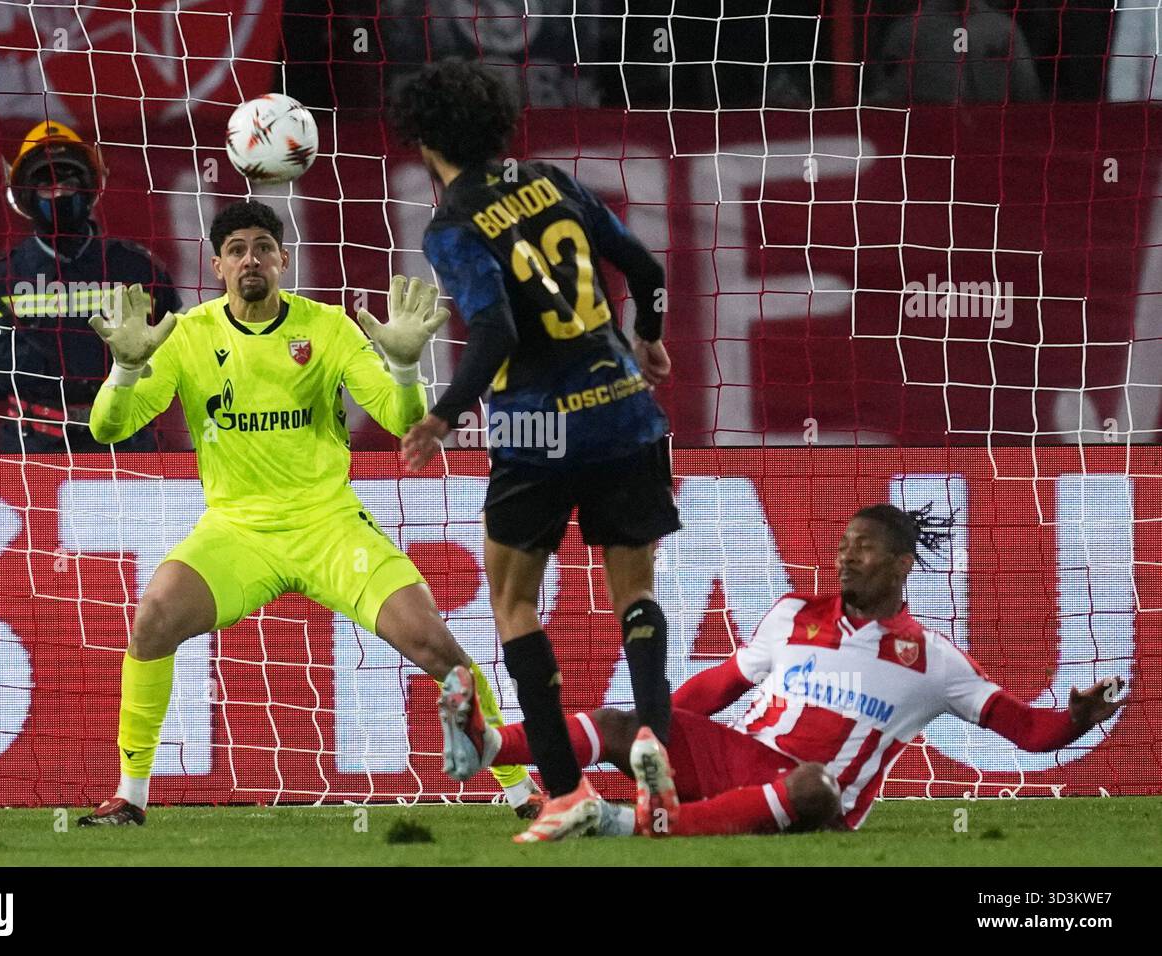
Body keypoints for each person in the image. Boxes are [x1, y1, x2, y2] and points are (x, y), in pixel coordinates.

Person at [76, 199, 538, 825]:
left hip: (329, 526)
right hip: (237, 532)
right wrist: (126, 371)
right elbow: (109, 427)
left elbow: (403, 420)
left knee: (436, 646)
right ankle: (130, 797)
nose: (251, 260)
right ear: (217, 264)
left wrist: (404, 365)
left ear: (283, 259)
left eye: (263, 247)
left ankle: (521, 791)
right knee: (153, 617)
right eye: (236, 249)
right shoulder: (188, 335)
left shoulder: (326, 328)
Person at [387, 61, 680, 842]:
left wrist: (445, 415)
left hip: (535, 433)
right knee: (635, 592)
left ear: (422, 138)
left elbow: (497, 330)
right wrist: (647, 340)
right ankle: (652, 728)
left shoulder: (451, 224)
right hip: (623, 412)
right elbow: (646, 270)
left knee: (515, 603)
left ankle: (566, 789)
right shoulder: (551, 180)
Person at [450, 504, 1128, 837]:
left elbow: (1028, 732)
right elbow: (713, 690)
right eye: (841, 547)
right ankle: (489, 746)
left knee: (814, 784)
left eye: (861, 550)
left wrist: (1075, 717)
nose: (843, 558)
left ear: (900, 566)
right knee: (620, 719)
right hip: (736, 755)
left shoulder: (935, 660)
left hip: (812, 799)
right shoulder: (793, 614)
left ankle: (625, 821)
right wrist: (656, 730)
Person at [0, 121, 180, 452]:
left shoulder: (140, 269)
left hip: (126, 441)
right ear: (22, 195)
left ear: (91, 185)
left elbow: (182, 356)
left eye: (67, 181)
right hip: (30, 451)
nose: (57, 192)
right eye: (45, 183)